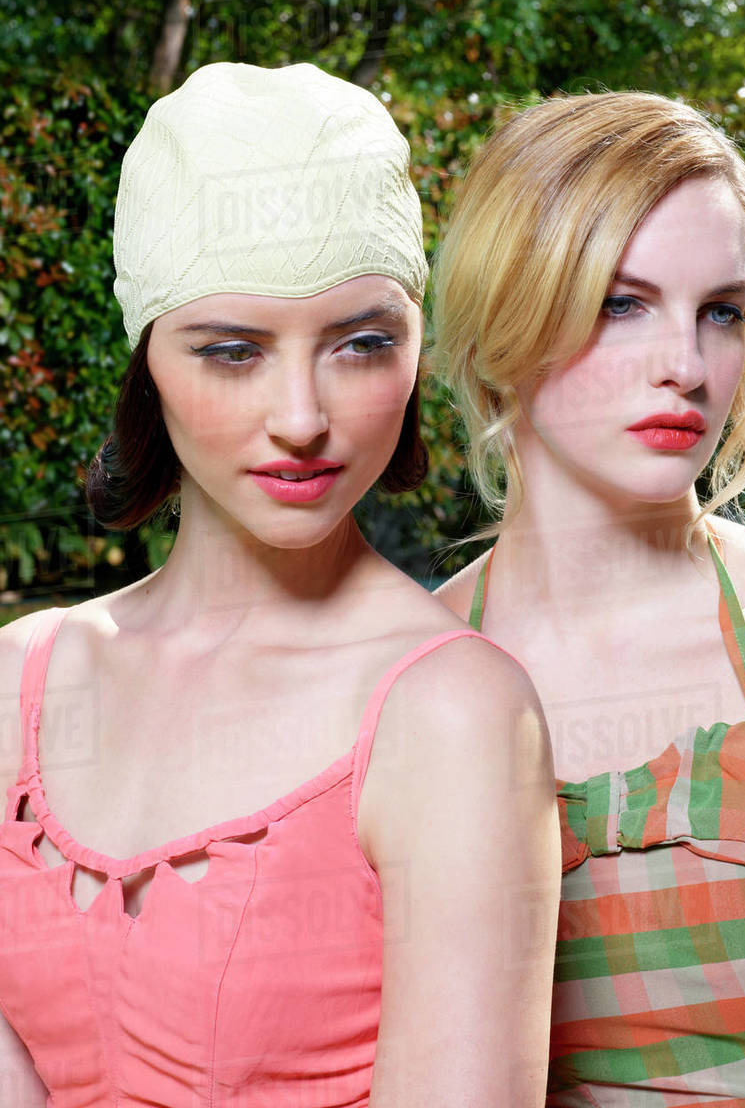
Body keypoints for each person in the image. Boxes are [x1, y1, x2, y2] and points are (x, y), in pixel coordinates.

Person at [0, 62, 560, 1108]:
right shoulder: (21, 680)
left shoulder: (451, 713)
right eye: (232, 351)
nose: (301, 415)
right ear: (148, 362)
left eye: (360, 345)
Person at [432, 91, 745, 1106]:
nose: (686, 367)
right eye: (620, 302)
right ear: (509, 309)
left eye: (721, 312)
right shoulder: (398, 682)